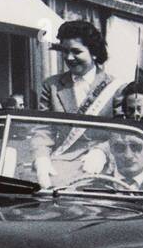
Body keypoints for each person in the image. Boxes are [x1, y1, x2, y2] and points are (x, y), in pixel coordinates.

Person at [34, 20, 122, 187]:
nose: (69, 58)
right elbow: (43, 129)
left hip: (103, 166)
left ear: (94, 53)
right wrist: (41, 157)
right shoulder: (51, 86)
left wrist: (102, 152)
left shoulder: (116, 88)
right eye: (65, 52)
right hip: (61, 163)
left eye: (76, 52)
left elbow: (122, 133)